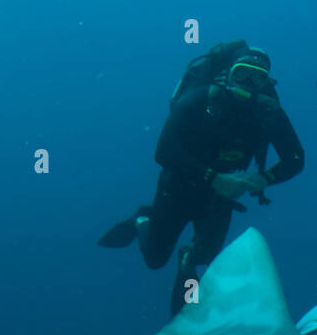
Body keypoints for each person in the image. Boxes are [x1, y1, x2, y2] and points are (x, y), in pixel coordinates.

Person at [100, 44, 305, 312]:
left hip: (219, 197)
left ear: (267, 83)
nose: (249, 83)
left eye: (258, 77)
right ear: (228, 74)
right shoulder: (199, 100)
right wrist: (213, 177)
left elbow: (295, 159)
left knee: (205, 258)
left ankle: (186, 279)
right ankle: (143, 218)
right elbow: (163, 152)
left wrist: (263, 178)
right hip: (177, 188)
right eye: (242, 73)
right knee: (155, 258)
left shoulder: (269, 113)